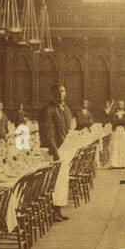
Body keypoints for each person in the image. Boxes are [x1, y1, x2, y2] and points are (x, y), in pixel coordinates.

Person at [39, 84, 73, 221]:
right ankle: (51, 212)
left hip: (63, 149)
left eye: (63, 91)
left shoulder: (65, 109)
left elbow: (68, 129)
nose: (61, 94)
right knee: (53, 182)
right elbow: (48, 133)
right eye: (58, 92)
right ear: (52, 94)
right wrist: (55, 152)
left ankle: (58, 210)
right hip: (52, 151)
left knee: (62, 182)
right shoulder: (47, 110)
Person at [108, 100, 125, 169]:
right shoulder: (114, 114)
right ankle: (114, 164)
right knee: (115, 146)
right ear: (117, 106)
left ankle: (123, 164)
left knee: (123, 146)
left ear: (123, 106)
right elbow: (113, 122)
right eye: (119, 104)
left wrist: (119, 122)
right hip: (116, 131)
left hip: (123, 132)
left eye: (122, 105)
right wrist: (121, 122)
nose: (120, 106)